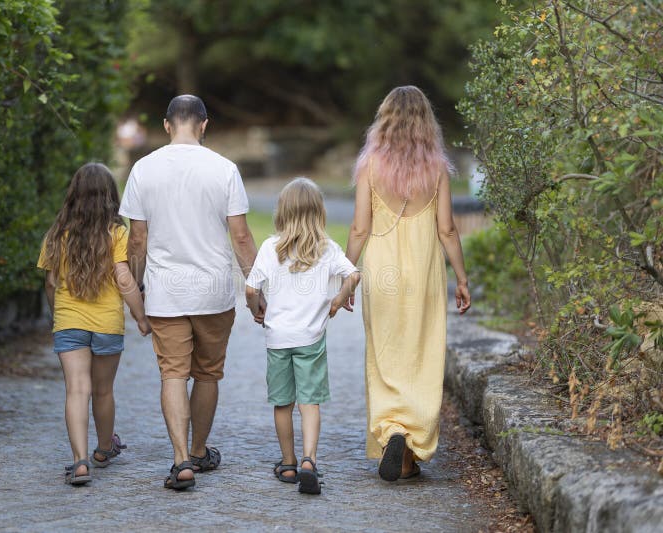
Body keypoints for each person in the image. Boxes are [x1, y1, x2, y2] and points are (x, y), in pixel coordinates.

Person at [120, 95, 259, 490]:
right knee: (208, 374)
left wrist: (139, 288)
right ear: (204, 125)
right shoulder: (225, 169)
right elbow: (242, 236)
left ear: (167, 125)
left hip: (166, 292)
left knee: (173, 374)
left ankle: (180, 459)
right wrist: (254, 287)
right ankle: (199, 450)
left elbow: (137, 241)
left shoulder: (143, 169)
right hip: (213, 289)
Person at [344, 86, 471, 482]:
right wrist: (462, 279)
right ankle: (411, 443)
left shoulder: (369, 165)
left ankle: (391, 432)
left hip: (381, 272)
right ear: (425, 122)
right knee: (421, 354)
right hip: (425, 272)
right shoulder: (437, 168)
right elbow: (447, 229)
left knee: (384, 356)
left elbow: (359, 227)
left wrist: (347, 277)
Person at [38, 162, 151, 486]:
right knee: (102, 391)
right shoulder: (117, 233)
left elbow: (50, 282)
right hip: (106, 324)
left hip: (69, 323)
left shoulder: (57, 234)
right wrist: (140, 316)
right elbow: (125, 279)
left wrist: (55, 315)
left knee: (76, 389)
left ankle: (79, 461)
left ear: (74, 195)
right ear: (110, 197)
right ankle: (103, 449)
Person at [245, 178, 360, 495]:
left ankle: (288, 462)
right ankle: (310, 460)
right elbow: (354, 275)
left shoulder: (271, 248)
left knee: (282, 403)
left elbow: (251, 289)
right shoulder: (327, 248)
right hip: (311, 339)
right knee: (310, 403)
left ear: (282, 212)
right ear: (319, 212)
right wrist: (339, 298)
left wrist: (257, 309)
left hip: (278, 339)